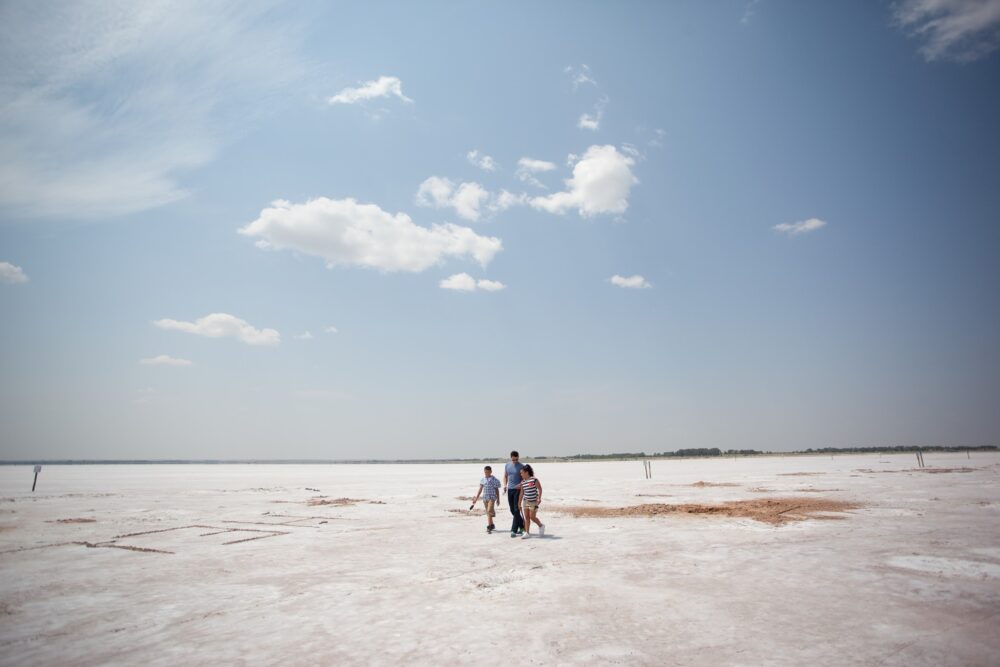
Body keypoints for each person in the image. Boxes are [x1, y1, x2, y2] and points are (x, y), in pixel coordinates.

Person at [470, 465, 502, 533]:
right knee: (488, 512)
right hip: (485, 498)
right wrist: (476, 498)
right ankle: (492, 524)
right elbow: (480, 489)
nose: (486, 473)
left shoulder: (495, 480)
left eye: (488, 472)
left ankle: (489, 526)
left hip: (492, 498)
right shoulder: (483, 480)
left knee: (489, 510)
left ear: (491, 472)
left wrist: (498, 499)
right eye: (485, 472)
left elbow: (497, 490)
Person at [518, 464, 544, 538]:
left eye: (522, 473)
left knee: (532, 517)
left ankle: (541, 526)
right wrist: (519, 503)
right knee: (526, 517)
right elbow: (521, 493)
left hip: (534, 502)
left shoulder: (534, 480)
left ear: (526, 472)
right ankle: (527, 533)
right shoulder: (523, 482)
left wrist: (539, 498)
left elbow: (540, 489)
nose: (521, 474)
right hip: (525, 501)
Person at [503, 450, 525, 538]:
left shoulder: (522, 466)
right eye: (513, 460)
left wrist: (520, 484)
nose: (515, 461)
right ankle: (522, 526)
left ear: (518, 457)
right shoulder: (507, 465)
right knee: (512, 510)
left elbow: (524, 478)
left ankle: (513, 530)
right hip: (510, 489)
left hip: (518, 490)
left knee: (516, 510)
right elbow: (505, 476)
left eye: (516, 459)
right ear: (511, 458)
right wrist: (505, 485)